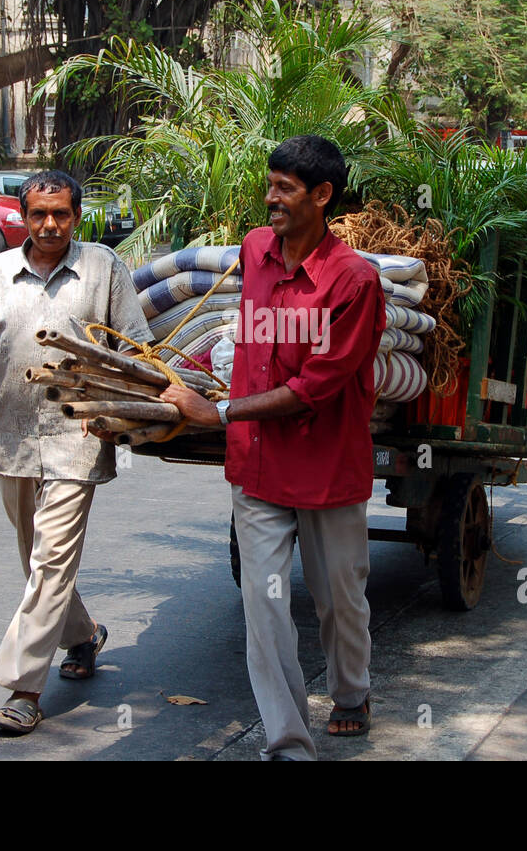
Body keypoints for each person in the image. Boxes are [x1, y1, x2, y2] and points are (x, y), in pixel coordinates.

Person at [161, 135, 386, 761]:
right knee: (263, 607)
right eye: (270, 184)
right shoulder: (256, 250)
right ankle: (288, 740)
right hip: (256, 464)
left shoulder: (355, 282)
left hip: (326, 468)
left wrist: (220, 410)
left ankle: (350, 693)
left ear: (322, 196)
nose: (271, 198)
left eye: (285, 188)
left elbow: (315, 387)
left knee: (340, 597)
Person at [0, 170, 152, 736]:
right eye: (38, 214)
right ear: (22, 215)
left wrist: (116, 414)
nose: (50, 225)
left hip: (77, 438)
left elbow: (132, 349)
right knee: (36, 562)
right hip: (11, 439)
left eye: (60, 214)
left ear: (77, 215)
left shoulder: (102, 267)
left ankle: (24, 689)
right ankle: (83, 635)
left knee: (51, 560)